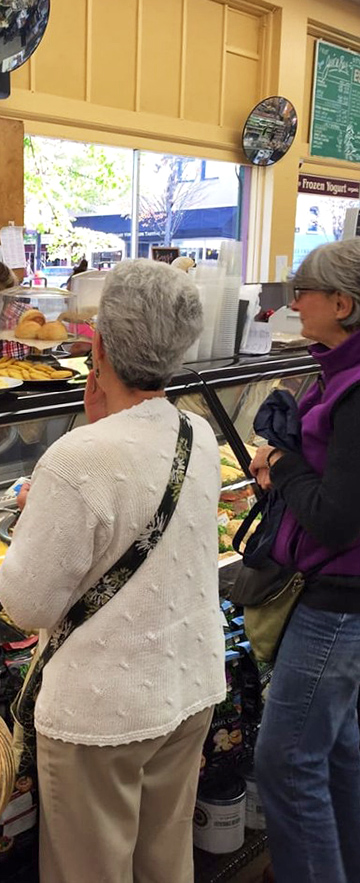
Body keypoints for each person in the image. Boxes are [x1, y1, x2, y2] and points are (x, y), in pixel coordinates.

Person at [0, 258, 226, 883]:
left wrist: (28, 517)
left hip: (103, 718)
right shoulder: (198, 434)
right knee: (163, 862)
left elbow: (27, 604)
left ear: (96, 344)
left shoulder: (76, 459)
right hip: (187, 689)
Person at [249, 237, 360, 883]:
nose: (293, 302)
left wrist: (283, 464)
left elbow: (338, 517)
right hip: (334, 594)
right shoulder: (336, 370)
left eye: (302, 291)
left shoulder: (354, 389)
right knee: (340, 746)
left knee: (287, 760)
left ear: (342, 302)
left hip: (337, 601)